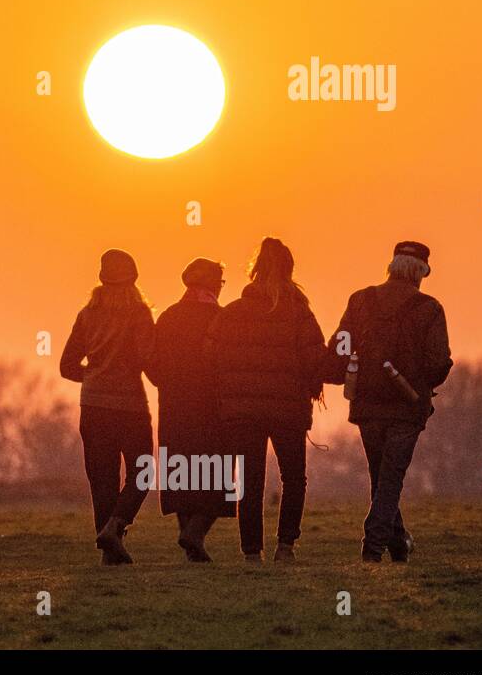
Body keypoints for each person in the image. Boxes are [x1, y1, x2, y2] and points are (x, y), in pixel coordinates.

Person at [324, 241, 452, 563]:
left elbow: (340, 346)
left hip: (366, 405)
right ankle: (372, 549)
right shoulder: (430, 308)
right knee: (390, 478)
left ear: (392, 266)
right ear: (421, 272)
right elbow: (437, 364)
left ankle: (398, 544)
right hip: (406, 408)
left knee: (381, 477)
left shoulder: (360, 300)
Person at [206, 237, 325, 562]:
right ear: (289, 270)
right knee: (293, 478)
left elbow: (211, 358)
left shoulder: (231, 313)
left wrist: (227, 395)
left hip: (242, 412)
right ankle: (285, 546)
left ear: (254, 270)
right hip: (288, 410)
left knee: (250, 480)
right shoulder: (299, 312)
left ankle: (251, 552)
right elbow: (316, 360)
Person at [60, 249, 155, 565]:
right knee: (143, 471)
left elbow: (67, 366)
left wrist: (94, 375)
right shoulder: (139, 313)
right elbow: (146, 357)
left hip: (93, 406)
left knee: (102, 479)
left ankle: (109, 551)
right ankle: (116, 527)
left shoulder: (86, 315)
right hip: (129, 406)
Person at [146, 257, 236, 562]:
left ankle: (190, 539)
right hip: (213, 409)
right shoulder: (222, 318)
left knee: (182, 473)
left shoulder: (168, 317)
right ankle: (195, 533)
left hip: (175, 408)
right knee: (215, 472)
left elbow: (153, 365)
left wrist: (168, 383)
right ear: (213, 284)